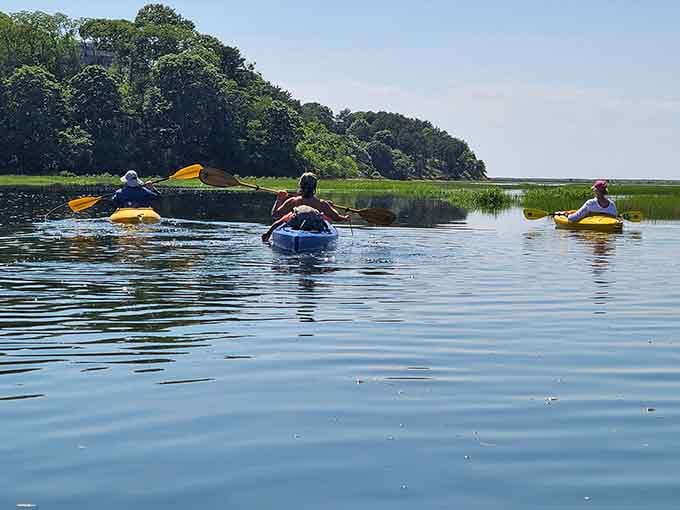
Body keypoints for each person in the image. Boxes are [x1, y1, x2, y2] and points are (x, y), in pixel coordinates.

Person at [262, 172, 350, 242]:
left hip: (295, 225)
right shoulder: (321, 204)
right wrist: (344, 217)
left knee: (284, 219)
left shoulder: (293, 201)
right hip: (315, 226)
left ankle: (267, 234)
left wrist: (279, 199)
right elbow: (336, 217)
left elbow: (275, 215)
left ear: (300, 186)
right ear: (315, 187)